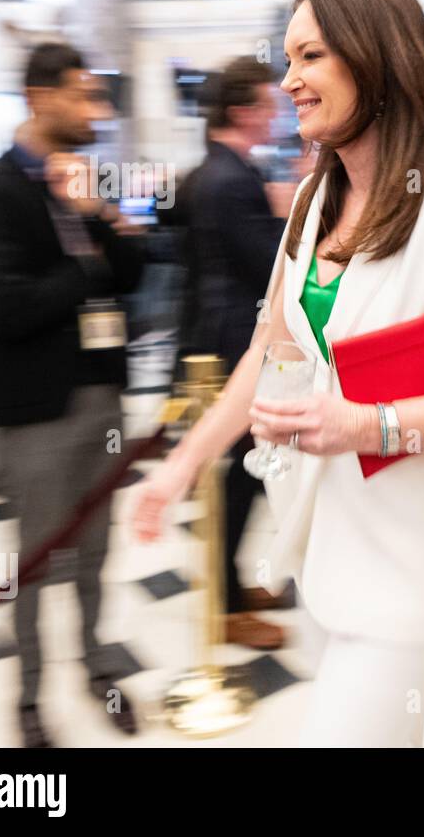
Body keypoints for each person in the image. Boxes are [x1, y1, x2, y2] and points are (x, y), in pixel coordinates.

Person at [131, 0, 424, 747]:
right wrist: (183, 466)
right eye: (286, 57)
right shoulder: (314, 202)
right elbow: (270, 354)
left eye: (310, 54)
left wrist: (364, 423)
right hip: (325, 550)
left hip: (419, 574)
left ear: (375, 59)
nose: (288, 80)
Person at [0, 42, 145, 747]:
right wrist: (85, 259)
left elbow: (133, 274)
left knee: (97, 550)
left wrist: (97, 213)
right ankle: (32, 697)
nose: (93, 110)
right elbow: (14, 308)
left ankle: (98, 668)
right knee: (37, 562)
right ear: (39, 98)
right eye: (81, 96)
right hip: (37, 410)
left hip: (102, 397)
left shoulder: (90, 176)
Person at [166, 57, 293, 651]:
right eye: (268, 106)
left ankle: (234, 588)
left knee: (245, 476)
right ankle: (223, 605)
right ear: (243, 112)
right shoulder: (232, 178)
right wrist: (287, 217)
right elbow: (268, 267)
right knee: (241, 479)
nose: (277, 115)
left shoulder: (210, 172)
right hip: (233, 344)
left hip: (215, 338)